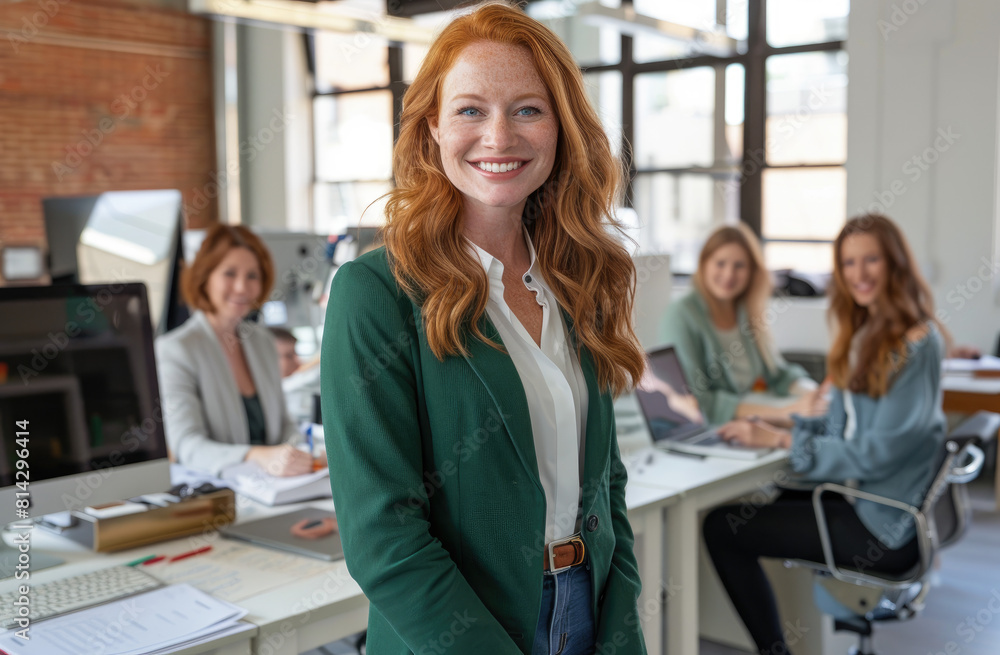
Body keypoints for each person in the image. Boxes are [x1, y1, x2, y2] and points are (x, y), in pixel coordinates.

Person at [320, 3, 648, 654]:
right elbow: (385, 535)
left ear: (560, 129)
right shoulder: (375, 294)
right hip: (458, 632)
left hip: (587, 604)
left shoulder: (581, 281)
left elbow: (605, 485)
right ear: (432, 128)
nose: (499, 137)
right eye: (471, 109)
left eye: (528, 109)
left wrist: (621, 632)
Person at [702, 213, 948, 655]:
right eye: (849, 263)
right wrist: (783, 425)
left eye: (870, 259)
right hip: (872, 505)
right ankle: (807, 631)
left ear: (894, 263)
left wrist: (779, 442)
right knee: (784, 496)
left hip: (883, 530)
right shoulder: (872, 333)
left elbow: (876, 452)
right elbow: (846, 424)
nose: (859, 274)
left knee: (723, 529)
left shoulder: (914, 342)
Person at [156, 224, 309, 477]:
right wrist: (255, 456)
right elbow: (187, 445)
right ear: (205, 278)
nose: (242, 287)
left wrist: (297, 452)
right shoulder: (176, 350)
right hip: (217, 496)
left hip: (275, 491)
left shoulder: (262, 341)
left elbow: (284, 425)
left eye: (252, 276)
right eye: (229, 273)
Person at [660, 223, 824, 426]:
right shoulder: (682, 315)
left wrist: (817, 395)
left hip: (754, 416)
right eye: (720, 263)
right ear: (704, 264)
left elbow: (778, 373)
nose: (729, 274)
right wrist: (781, 413)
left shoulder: (745, 310)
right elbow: (700, 401)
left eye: (739, 266)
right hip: (717, 426)